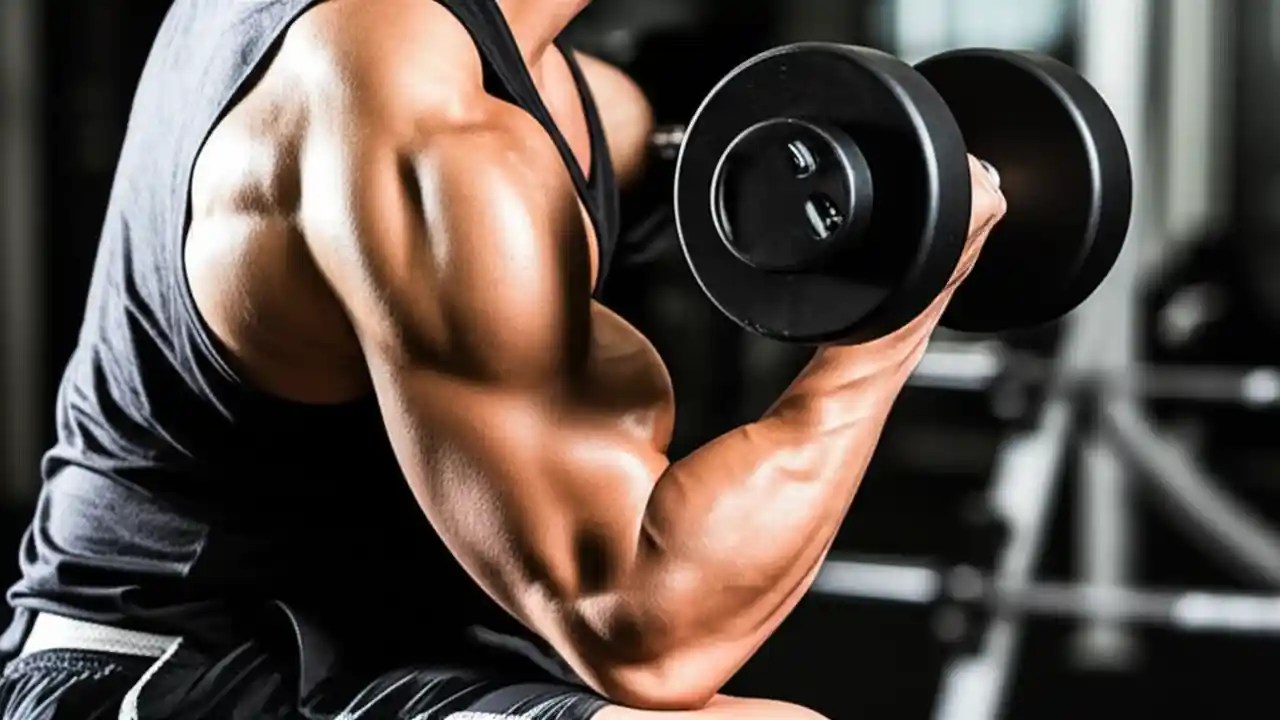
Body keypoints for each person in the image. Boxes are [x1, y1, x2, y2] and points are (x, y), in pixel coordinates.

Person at [0, 0, 1006, 717]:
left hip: (354, 650)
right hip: (166, 673)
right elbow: (652, 631)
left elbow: (658, 171)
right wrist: (900, 308)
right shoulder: (405, 109)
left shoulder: (551, 90)